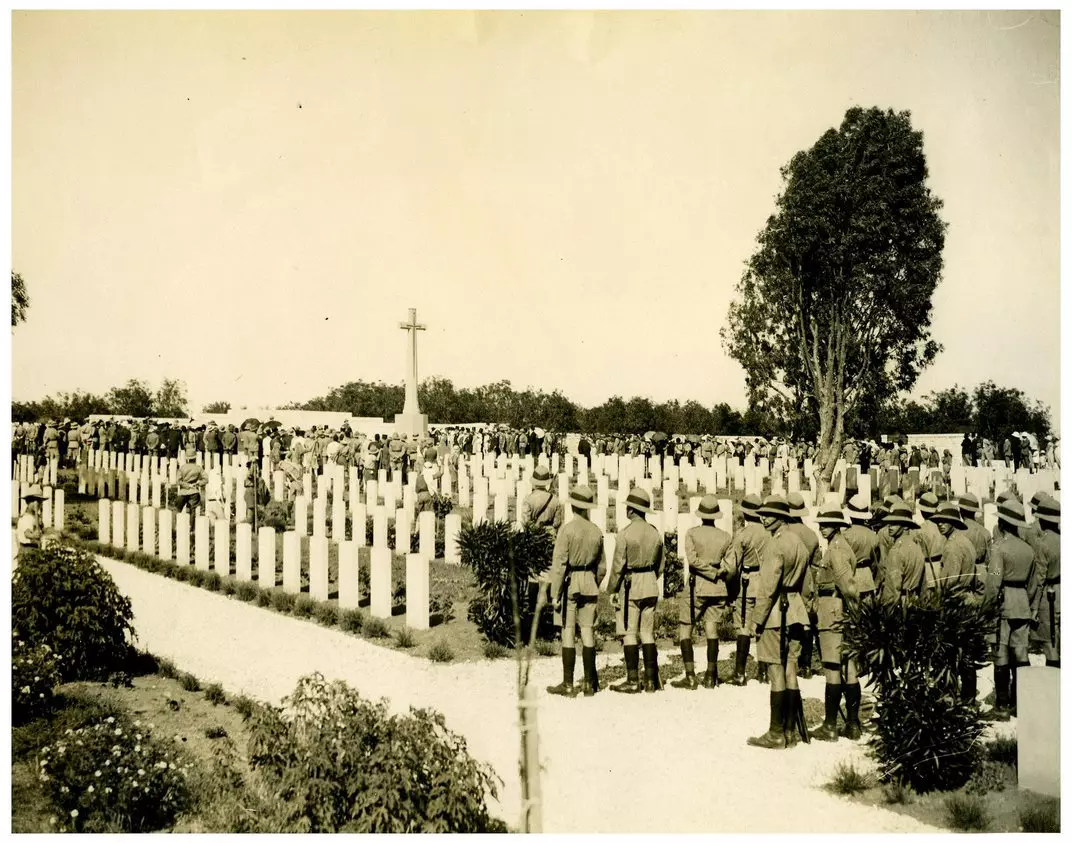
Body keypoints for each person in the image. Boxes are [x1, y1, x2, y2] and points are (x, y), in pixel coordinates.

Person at [747, 496, 811, 749]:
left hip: (775, 613)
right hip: (796, 610)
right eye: (763, 513)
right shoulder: (800, 542)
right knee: (790, 670)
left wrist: (756, 620)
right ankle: (790, 731)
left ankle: (775, 733)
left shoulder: (775, 545)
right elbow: (806, 583)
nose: (764, 518)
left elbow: (768, 588)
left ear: (781, 517)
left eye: (769, 514)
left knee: (776, 671)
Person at [984, 498, 1044, 719]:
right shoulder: (1028, 550)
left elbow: (993, 582)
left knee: (1001, 653)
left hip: (1004, 604)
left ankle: (1002, 704)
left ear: (1002, 523)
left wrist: (987, 608)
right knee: (1021, 653)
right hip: (1022, 604)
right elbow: (1034, 584)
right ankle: (1021, 701)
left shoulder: (1000, 549)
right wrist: (1031, 605)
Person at [546, 486, 605, 698]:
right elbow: (602, 566)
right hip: (589, 580)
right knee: (588, 631)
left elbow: (560, 564)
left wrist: (555, 593)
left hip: (571, 582)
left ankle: (569, 684)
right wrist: (593, 582)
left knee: (568, 630)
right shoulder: (597, 531)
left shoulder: (567, 530)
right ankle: (590, 684)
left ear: (573, 506)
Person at [810, 508, 861, 742]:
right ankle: (852, 725)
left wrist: (853, 609)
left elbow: (848, 584)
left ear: (837, 525)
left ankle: (831, 726)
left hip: (833, 611)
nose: (822, 527)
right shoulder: (839, 545)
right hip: (840, 610)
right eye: (821, 523)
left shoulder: (837, 549)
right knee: (849, 668)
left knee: (833, 668)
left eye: (828, 523)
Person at [671, 496, 733, 690]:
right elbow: (730, 565)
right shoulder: (725, 537)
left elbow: (693, 560)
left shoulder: (692, 534)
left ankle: (690, 676)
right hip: (718, 588)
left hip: (697, 586)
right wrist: (717, 572)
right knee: (711, 629)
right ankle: (710, 675)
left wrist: (709, 572)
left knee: (685, 629)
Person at [608, 488, 665, 694]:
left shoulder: (625, 534)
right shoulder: (655, 533)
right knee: (647, 632)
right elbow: (660, 565)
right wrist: (649, 577)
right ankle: (651, 680)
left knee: (630, 632)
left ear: (632, 510)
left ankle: (632, 679)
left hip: (630, 584)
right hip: (650, 582)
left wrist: (612, 589)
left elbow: (618, 566)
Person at [725, 494, 769, 685]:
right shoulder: (769, 532)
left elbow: (732, 566)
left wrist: (730, 588)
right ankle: (764, 673)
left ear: (744, 513)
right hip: (766, 582)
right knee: (763, 626)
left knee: (744, 625)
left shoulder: (743, 535)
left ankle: (740, 673)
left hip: (747, 582)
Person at [785, 492, 820, 679]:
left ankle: (787, 660)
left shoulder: (783, 533)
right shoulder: (811, 534)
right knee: (806, 619)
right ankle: (805, 665)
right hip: (806, 578)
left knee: (785, 616)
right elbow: (816, 564)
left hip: (787, 577)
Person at [1033, 496, 1060, 669]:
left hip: (1049, 594)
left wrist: (1034, 606)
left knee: (1050, 638)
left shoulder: (1042, 544)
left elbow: (1039, 578)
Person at [879, 503, 925, 603]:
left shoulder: (896, 551)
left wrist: (888, 609)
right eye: (889, 523)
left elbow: (892, 589)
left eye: (895, 523)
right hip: (914, 600)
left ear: (905, 527)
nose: (890, 527)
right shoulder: (916, 547)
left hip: (900, 602)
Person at [15, 484, 46, 555]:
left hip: (36, 548)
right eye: (34, 501)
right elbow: (27, 533)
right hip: (27, 549)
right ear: (28, 502)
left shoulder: (37, 517)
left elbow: (42, 532)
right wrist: (33, 535)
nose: (37, 503)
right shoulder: (26, 518)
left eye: (39, 501)